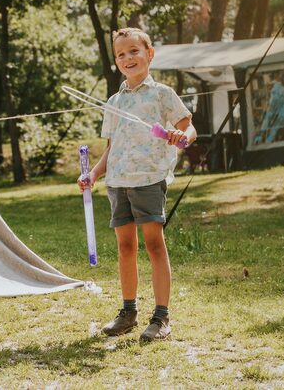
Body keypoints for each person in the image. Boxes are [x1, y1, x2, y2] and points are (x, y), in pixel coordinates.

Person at [78, 28, 196, 342]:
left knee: (154, 244)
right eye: (121, 54)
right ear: (116, 60)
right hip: (118, 182)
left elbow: (188, 127)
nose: (128, 58)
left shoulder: (162, 94)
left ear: (149, 53)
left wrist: (183, 136)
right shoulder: (114, 101)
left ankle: (161, 316)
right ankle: (128, 311)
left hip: (149, 178)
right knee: (125, 247)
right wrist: (94, 175)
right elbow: (112, 147)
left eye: (134, 51)